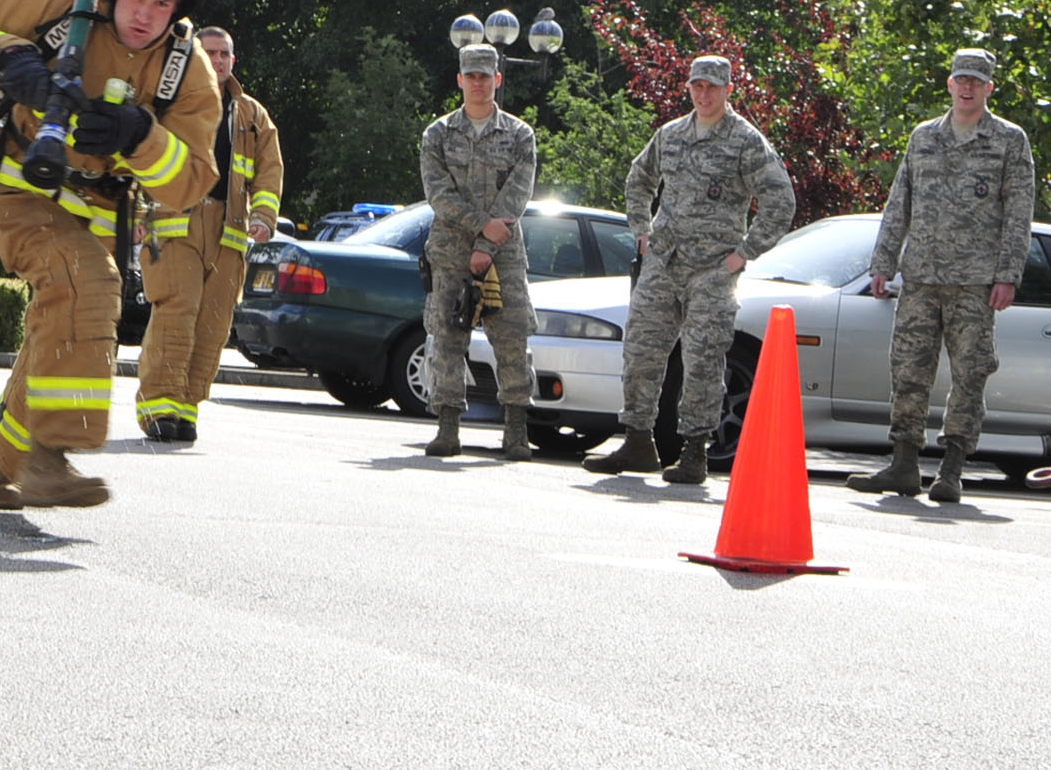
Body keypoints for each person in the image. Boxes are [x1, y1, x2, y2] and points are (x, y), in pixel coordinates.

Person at [0, 0, 223, 509]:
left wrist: (139, 135)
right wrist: (12, 61)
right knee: (87, 282)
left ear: (180, 7)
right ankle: (48, 458)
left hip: (94, 211)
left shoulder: (188, 72)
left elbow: (192, 182)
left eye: (161, 5)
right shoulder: (63, 7)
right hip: (20, 188)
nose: (144, 14)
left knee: (63, 326)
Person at [584, 55, 796, 484]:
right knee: (640, 350)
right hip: (663, 262)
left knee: (702, 360)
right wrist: (642, 230)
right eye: (697, 86)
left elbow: (780, 201)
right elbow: (638, 178)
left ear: (728, 91)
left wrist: (745, 252)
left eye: (712, 88)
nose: (704, 95)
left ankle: (694, 451)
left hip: (713, 271)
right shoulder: (672, 134)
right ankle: (638, 440)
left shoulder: (745, 141)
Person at [847, 48, 1037, 502]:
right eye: (960, 80)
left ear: (989, 88)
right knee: (909, 371)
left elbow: (1018, 214)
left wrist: (1007, 274)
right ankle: (905, 463)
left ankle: (951, 469)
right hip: (921, 279)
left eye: (976, 81)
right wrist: (883, 262)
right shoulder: (923, 137)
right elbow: (900, 204)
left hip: (974, 283)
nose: (967, 87)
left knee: (970, 375)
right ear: (949, 85)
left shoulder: (1009, 140)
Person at [134, 25, 283, 442]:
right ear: (195, 56)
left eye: (225, 55)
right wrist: (136, 215)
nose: (218, 61)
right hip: (173, 226)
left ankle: (185, 409)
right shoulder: (167, 102)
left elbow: (270, 172)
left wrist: (264, 218)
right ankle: (158, 407)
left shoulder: (251, 115)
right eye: (210, 53)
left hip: (229, 234)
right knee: (176, 315)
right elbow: (134, 157)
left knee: (213, 325)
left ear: (233, 61)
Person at [419, 44, 537, 460]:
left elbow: (517, 195)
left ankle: (517, 430)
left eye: (485, 76)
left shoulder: (521, 135)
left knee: (512, 341)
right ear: (459, 80)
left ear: (497, 80)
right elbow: (438, 194)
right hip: (451, 253)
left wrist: (487, 244)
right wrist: (478, 228)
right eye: (471, 76)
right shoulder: (438, 134)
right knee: (447, 339)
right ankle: (448, 426)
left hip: (502, 255)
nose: (478, 83)